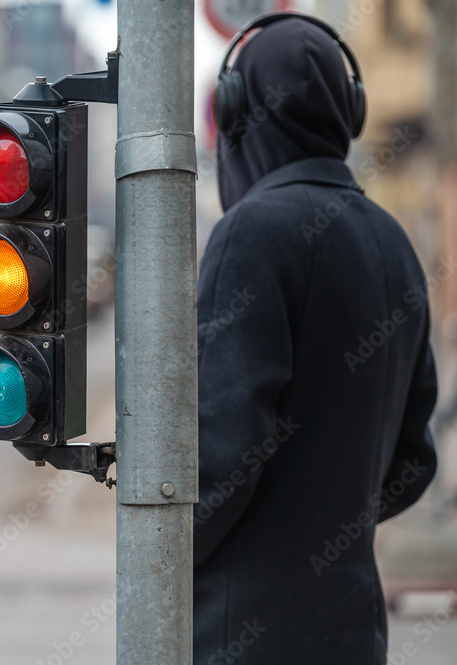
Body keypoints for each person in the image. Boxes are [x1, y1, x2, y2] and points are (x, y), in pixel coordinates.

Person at [194, 13, 438, 665]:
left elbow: (218, 462)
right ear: (345, 113)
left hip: (239, 637)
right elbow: (413, 462)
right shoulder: (392, 242)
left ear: (238, 113)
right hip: (353, 634)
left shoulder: (250, 234)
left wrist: (151, 543)